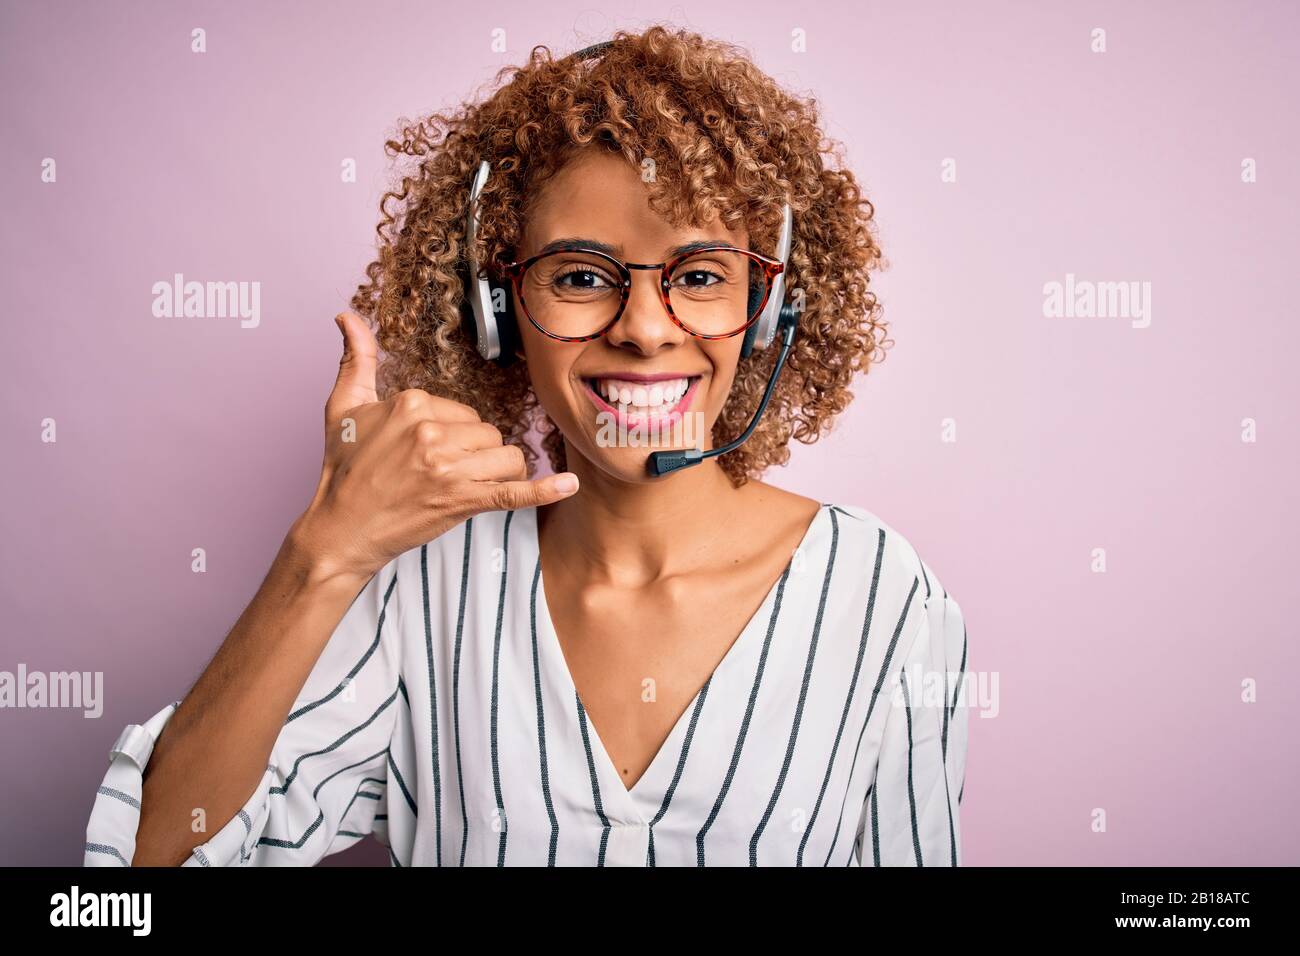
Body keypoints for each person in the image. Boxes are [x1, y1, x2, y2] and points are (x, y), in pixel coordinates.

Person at [84, 25, 968, 867]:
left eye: (699, 276)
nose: (646, 331)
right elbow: (143, 872)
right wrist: (325, 550)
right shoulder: (418, 590)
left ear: (768, 310)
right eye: (582, 277)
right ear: (496, 314)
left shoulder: (886, 600)